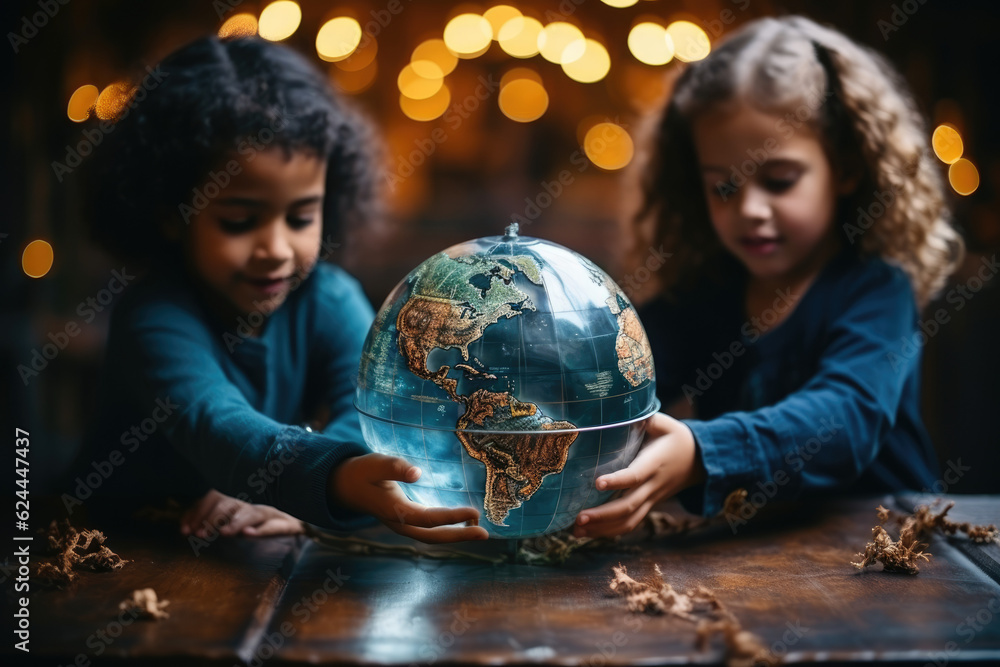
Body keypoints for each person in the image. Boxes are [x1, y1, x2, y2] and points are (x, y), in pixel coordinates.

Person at [75, 35, 488, 543]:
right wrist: (313, 481)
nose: (276, 247)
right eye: (239, 220)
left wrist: (302, 494)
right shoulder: (154, 317)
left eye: (300, 217)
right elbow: (217, 426)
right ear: (168, 214)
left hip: (250, 557)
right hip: (113, 553)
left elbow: (373, 411)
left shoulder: (329, 297)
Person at [574, 16, 964, 538]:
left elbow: (846, 420)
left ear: (846, 168)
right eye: (724, 188)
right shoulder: (702, 296)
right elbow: (605, 380)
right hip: (756, 568)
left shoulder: (875, 290)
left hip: (895, 555)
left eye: (779, 181)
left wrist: (701, 453)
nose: (751, 210)